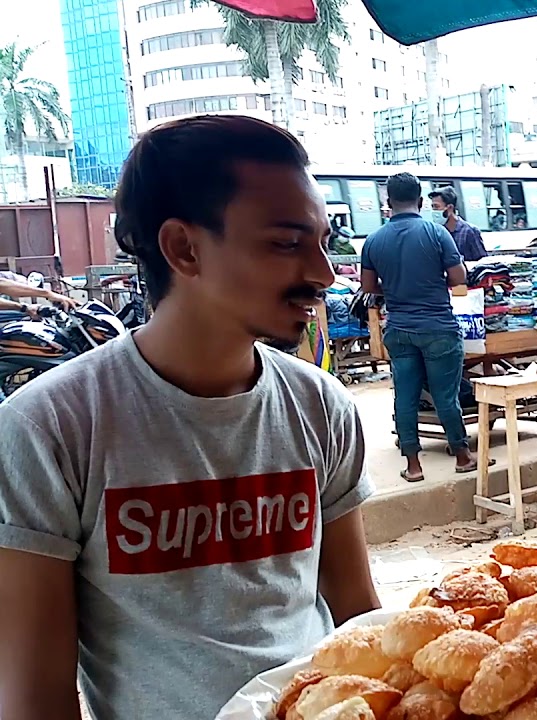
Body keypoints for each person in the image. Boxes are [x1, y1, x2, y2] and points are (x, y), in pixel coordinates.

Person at [0, 115, 380, 720]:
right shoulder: (52, 429)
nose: (324, 274)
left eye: (323, 242)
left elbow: (361, 620)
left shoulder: (322, 407)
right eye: (286, 244)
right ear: (183, 248)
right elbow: (35, 699)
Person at [361, 172, 485, 479]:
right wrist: (431, 283)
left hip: (399, 329)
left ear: (387, 203)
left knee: (405, 397)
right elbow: (458, 279)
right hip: (438, 327)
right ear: (419, 201)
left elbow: (367, 286)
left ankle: (413, 466)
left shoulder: (374, 240)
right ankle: (462, 457)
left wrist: (394, 288)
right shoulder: (437, 233)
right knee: (446, 396)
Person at [428, 186, 488, 262]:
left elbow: (482, 262)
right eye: (432, 207)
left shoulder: (469, 231)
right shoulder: (436, 232)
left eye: (436, 207)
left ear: (450, 208)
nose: (434, 211)